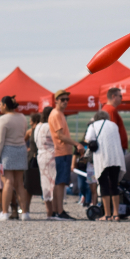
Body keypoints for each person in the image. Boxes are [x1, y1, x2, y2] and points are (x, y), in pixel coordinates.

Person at [0, 96, 30, 221]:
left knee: (8, 181)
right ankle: (25, 213)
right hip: (21, 149)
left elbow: (0, 141)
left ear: (4, 105)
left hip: (8, 150)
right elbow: (24, 133)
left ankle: (4, 212)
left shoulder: (3, 119)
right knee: (20, 183)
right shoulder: (22, 117)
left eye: (0, 104)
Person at [85, 110, 125, 221]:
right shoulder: (114, 125)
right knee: (114, 185)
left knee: (104, 185)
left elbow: (88, 139)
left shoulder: (93, 125)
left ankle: (107, 214)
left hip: (102, 158)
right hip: (116, 157)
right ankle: (116, 214)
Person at [48, 90, 80, 219]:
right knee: (60, 182)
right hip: (61, 152)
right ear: (56, 100)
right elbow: (60, 135)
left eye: (67, 99)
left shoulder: (59, 113)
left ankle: (57, 210)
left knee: (60, 182)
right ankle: (59, 211)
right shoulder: (56, 114)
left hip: (62, 152)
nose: (65, 102)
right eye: (62, 99)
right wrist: (76, 143)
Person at [34, 106, 57, 217]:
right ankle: (55, 210)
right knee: (54, 184)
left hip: (41, 156)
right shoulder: (50, 126)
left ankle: (49, 212)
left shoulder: (38, 127)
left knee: (45, 185)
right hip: (52, 156)